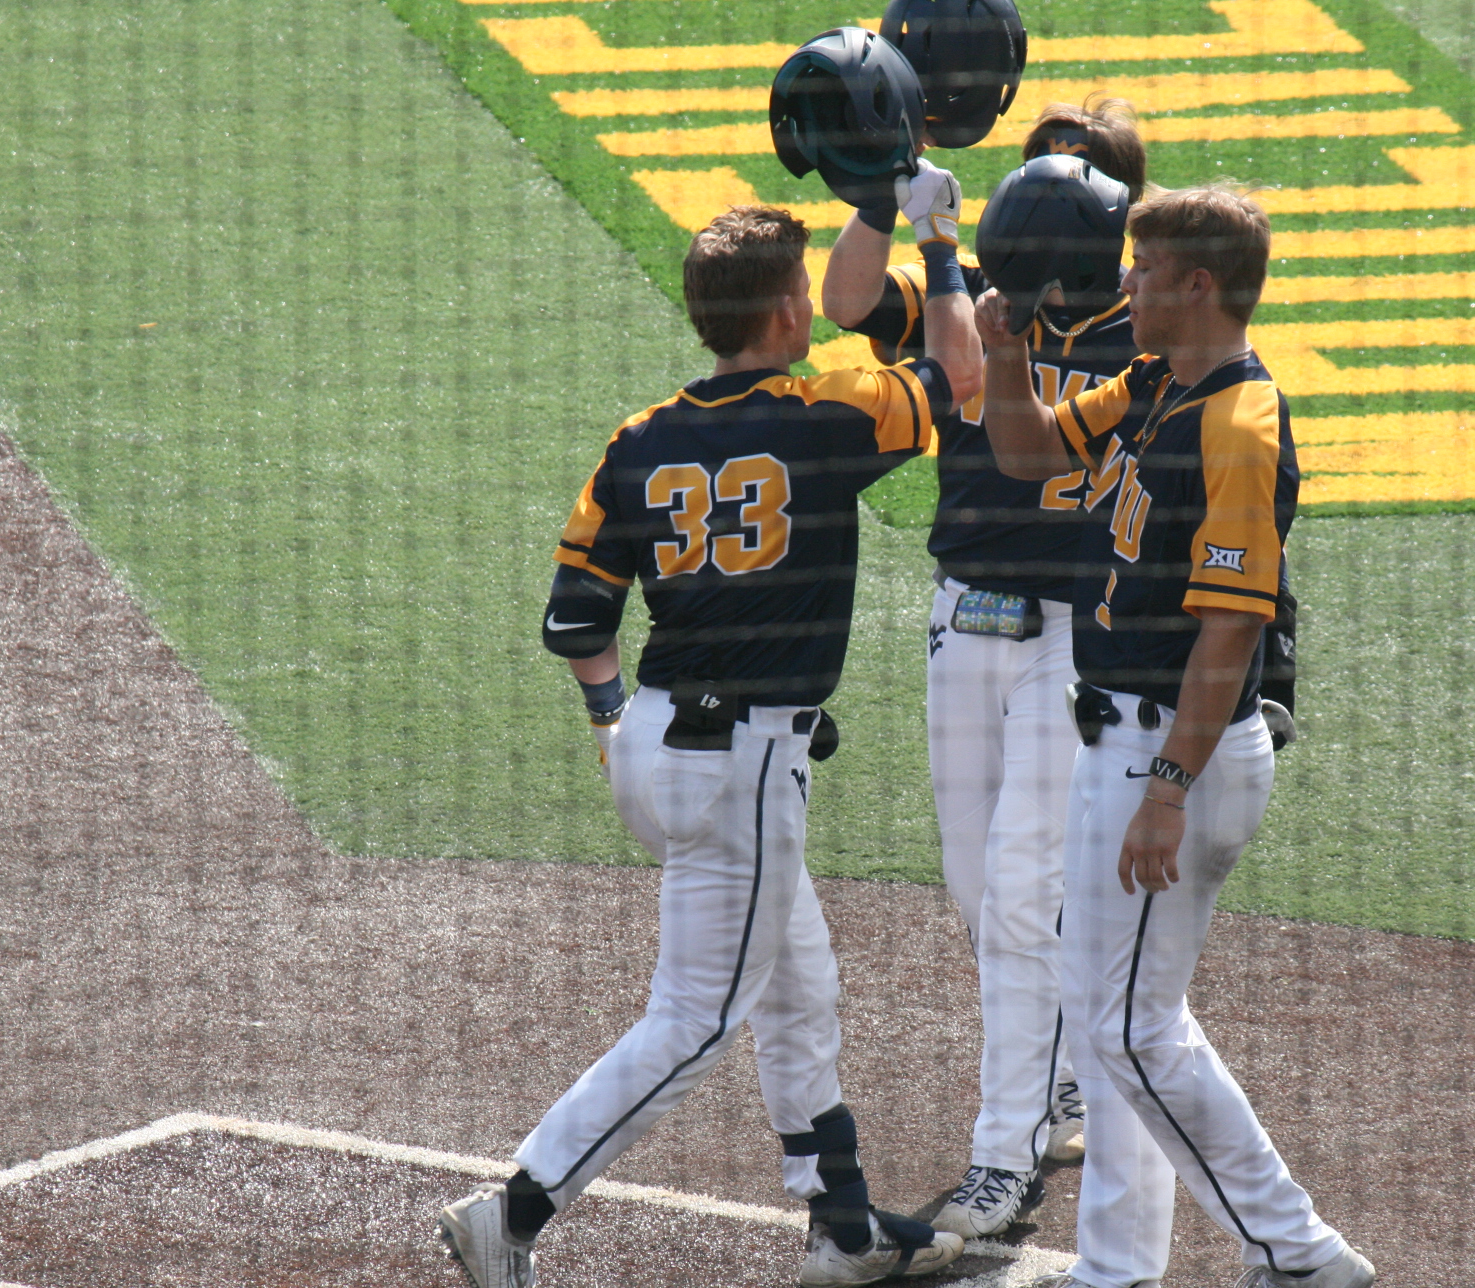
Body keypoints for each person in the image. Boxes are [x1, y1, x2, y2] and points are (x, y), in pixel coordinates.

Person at [434, 193, 983, 1288]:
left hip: (649, 742)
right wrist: (937, 240)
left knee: (797, 977)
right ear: (785, 313)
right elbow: (960, 375)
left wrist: (607, 720)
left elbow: (578, 619)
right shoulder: (827, 411)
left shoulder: (640, 439)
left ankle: (843, 1227)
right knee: (694, 1018)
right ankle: (515, 1211)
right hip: (742, 768)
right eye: (805, 295)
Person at [974, 183, 1376, 1288]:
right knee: (1113, 1021)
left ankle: (1297, 1251)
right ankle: (1122, 1269)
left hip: (1170, 758)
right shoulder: (1156, 383)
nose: (1126, 284)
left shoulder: (1239, 423)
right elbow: (1027, 454)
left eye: (1145, 270)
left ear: (1198, 285)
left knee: (1131, 1030)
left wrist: (1164, 790)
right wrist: (1003, 356)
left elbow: (1231, 628)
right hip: (1125, 747)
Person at [819, 97, 1149, 1240]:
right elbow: (847, 302)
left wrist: (949, 257)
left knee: (1017, 889)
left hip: (1074, 636)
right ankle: (1059, 1072)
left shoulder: (1145, 330)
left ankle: (1002, 1158)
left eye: (1070, 177)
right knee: (976, 889)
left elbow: (967, 384)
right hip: (964, 619)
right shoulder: (979, 293)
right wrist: (886, 206)